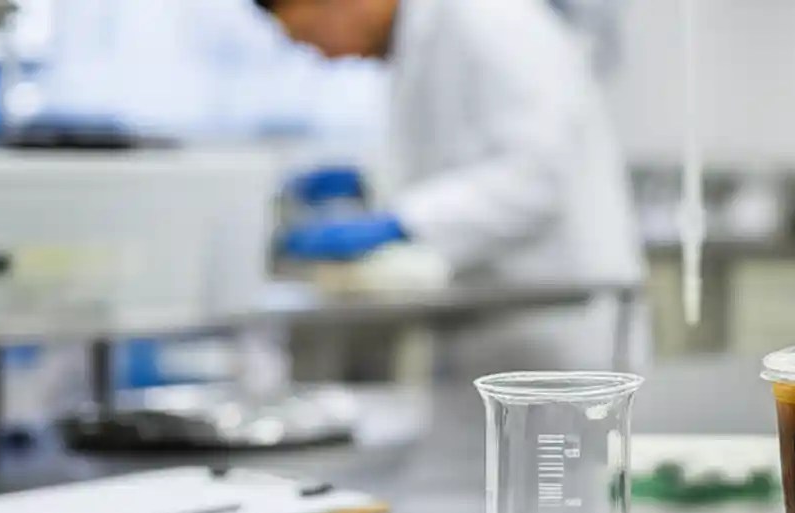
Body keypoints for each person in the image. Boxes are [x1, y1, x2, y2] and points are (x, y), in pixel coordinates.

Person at [254, 0, 645, 375]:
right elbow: (453, 157)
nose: (323, 55)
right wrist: (367, 185)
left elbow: (538, 175)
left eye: (310, 36)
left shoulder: (485, 14)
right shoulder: (418, 35)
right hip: (496, 318)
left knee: (558, 439)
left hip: (562, 319)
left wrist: (400, 223)